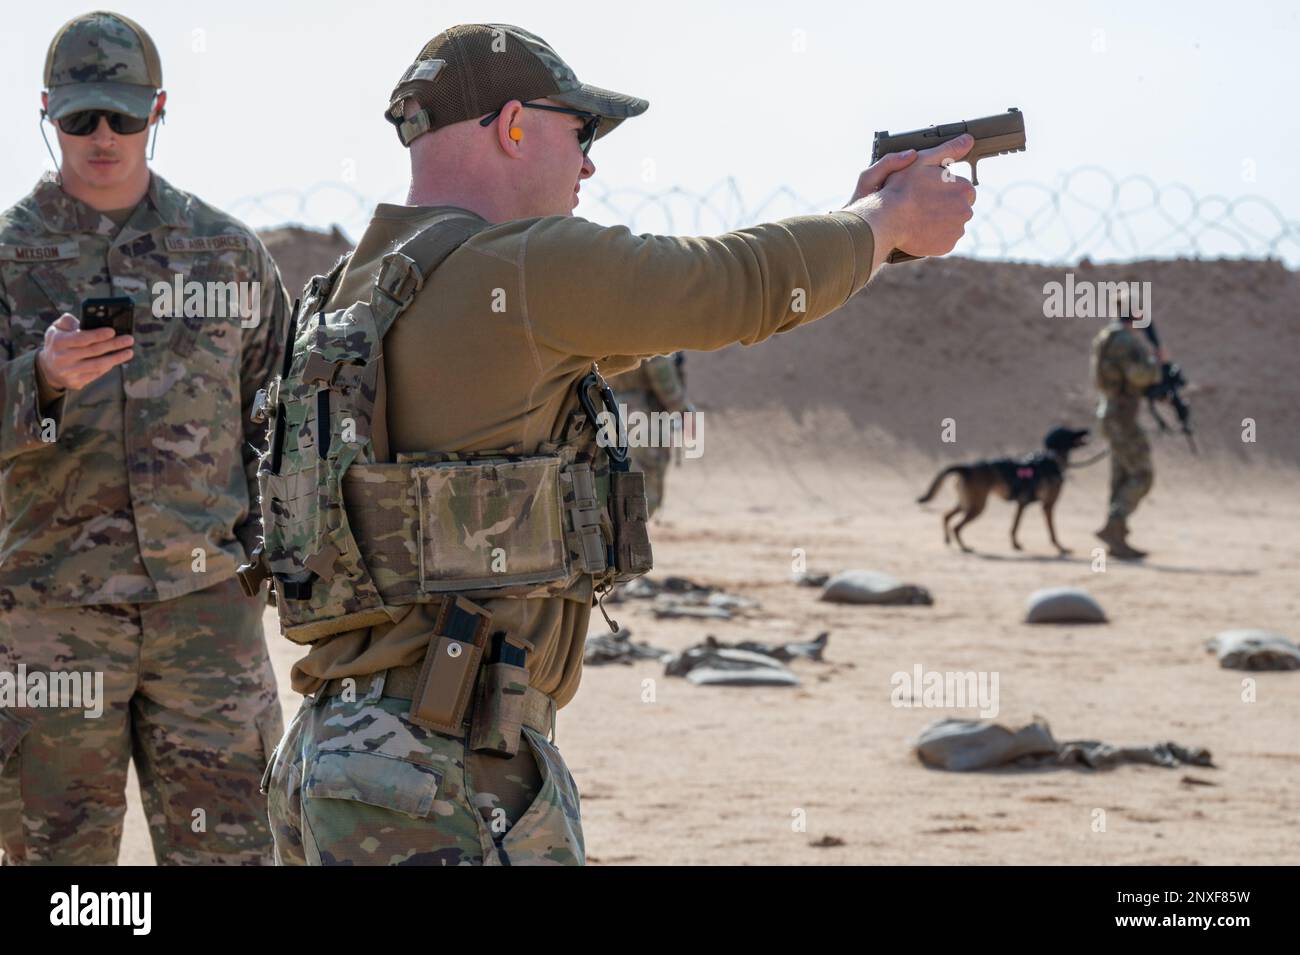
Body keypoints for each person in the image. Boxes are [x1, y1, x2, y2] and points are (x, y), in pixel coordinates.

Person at [256, 22, 975, 866]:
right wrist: (884, 221)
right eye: (582, 132)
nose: (590, 164)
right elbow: (729, 285)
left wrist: (865, 230)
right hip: (440, 765)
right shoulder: (525, 267)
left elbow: (709, 303)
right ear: (515, 124)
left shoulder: (353, 290)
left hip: (336, 755)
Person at [0, 11, 290, 864]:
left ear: (157, 110)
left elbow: (278, 420)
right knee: (62, 872)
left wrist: (269, 563)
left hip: (206, 616)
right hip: (54, 618)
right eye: (80, 116)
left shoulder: (227, 255)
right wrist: (38, 379)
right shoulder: (10, 258)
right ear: (46, 110)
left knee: (232, 849)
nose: (101, 136)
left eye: (123, 116)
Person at [1090, 294, 1164, 559]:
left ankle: (1117, 539)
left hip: (1114, 414)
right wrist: (1157, 364)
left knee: (1122, 476)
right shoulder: (1124, 340)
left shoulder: (1108, 336)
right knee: (1142, 475)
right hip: (1121, 416)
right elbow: (1138, 375)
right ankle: (1113, 526)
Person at [608, 353, 692, 518]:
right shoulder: (648, 331)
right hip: (641, 412)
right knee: (645, 474)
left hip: (612, 407)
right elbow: (659, 368)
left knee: (621, 472)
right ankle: (635, 527)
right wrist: (680, 407)